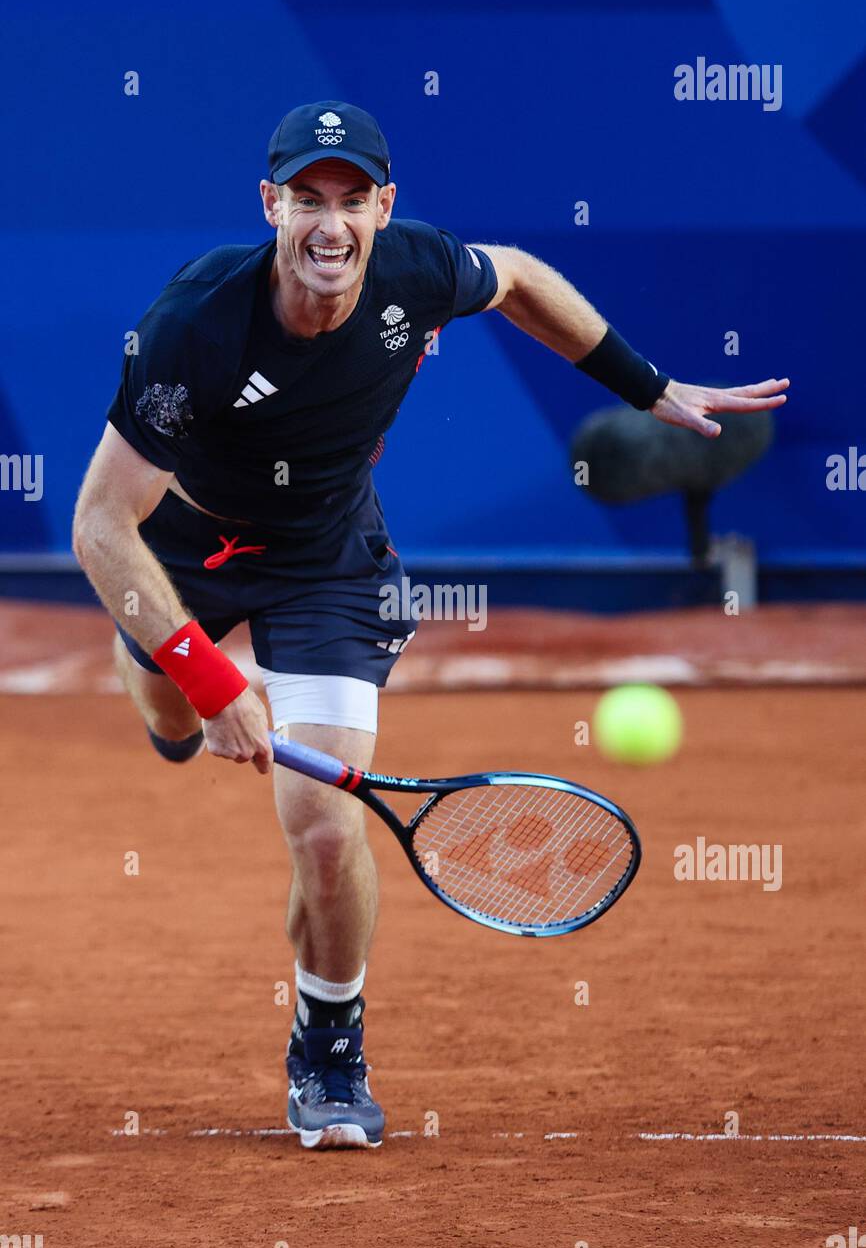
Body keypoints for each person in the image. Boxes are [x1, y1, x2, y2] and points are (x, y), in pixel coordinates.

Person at [72, 100, 788, 1150]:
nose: (331, 224)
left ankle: (327, 1042)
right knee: (175, 718)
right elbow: (99, 524)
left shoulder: (414, 270)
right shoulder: (194, 327)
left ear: (383, 206)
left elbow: (523, 281)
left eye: (352, 199)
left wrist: (646, 387)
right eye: (306, 199)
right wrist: (212, 681)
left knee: (323, 824)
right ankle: (173, 682)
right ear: (268, 205)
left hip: (325, 561)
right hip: (182, 544)